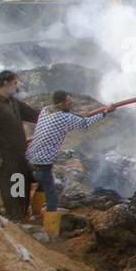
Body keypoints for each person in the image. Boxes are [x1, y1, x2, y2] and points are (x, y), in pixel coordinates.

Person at [25, 91, 111, 237]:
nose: (70, 102)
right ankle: (50, 231)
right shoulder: (64, 118)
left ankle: (35, 215)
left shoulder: (46, 110)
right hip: (42, 164)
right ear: (62, 103)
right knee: (52, 196)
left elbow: (72, 117)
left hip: (30, 159)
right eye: (68, 101)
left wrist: (79, 115)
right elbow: (85, 123)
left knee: (41, 187)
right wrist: (105, 112)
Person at [0, 70, 39, 221]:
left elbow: (34, 115)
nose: (16, 86)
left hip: (20, 152)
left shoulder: (13, 102)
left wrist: (53, 117)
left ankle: (22, 215)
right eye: (14, 83)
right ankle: (15, 216)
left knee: (22, 182)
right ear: (5, 83)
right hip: (6, 155)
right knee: (13, 184)